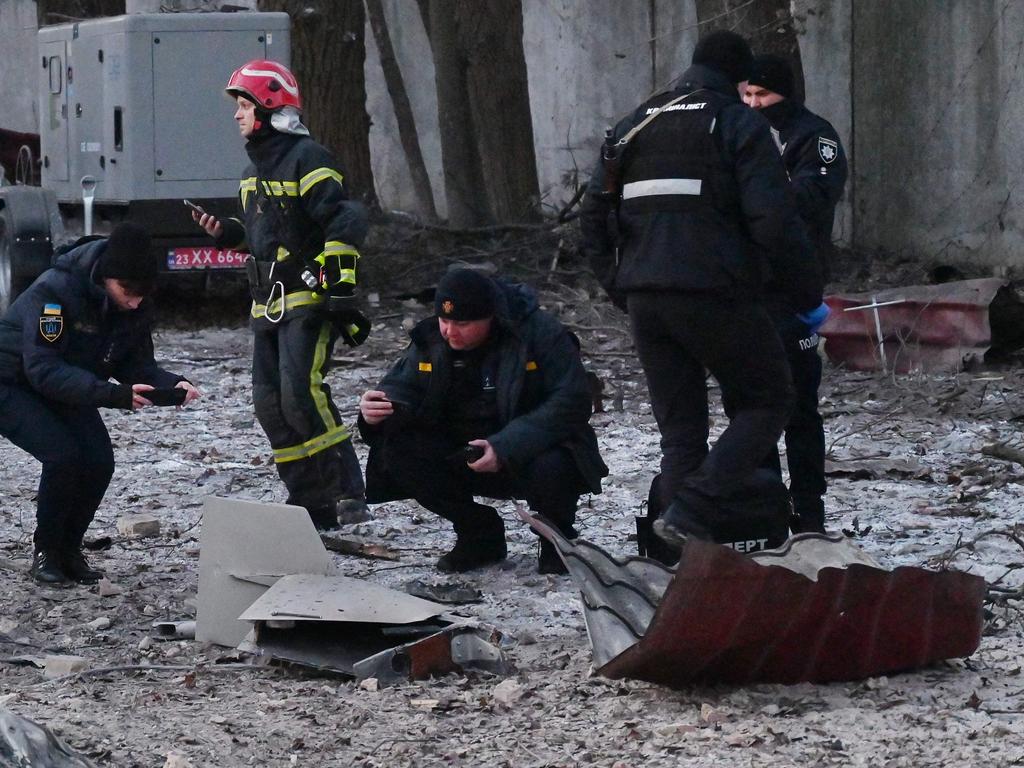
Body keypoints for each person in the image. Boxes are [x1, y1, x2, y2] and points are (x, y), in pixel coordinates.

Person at [579, 31, 823, 552]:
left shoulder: (635, 123)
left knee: (681, 432)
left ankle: (678, 551)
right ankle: (692, 511)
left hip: (646, 297)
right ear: (739, 78)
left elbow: (592, 215)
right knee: (769, 400)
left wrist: (620, 285)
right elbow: (774, 222)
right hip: (715, 292)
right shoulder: (736, 122)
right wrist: (804, 295)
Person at [193, 59, 371, 531]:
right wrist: (227, 233)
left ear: (270, 106)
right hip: (266, 305)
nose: (237, 115)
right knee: (269, 404)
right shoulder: (254, 170)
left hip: (306, 302)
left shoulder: (308, 158)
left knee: (301, 396)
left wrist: (339, 287)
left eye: (244, 104)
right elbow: (264, 235)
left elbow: (344, 220)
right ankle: (310, 502)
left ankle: (347, 493)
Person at [358, 268, 607, 574]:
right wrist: (373, 413)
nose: (450, 332)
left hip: (528, 451)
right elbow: (401, 389)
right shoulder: (430, 338)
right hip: (464, 453)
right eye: (445, 320)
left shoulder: (538, 332)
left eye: (462, 323)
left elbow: (572, 400)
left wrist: (505, 446)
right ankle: (478, 533)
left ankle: (556, 540)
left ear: (491, 317)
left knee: (556, 463)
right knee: (398, 449)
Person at [0, 223, 200, 585]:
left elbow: (135, 363)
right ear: (106, 277)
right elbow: (43, 368)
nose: (135, 301)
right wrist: (111, 395)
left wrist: (171, 384)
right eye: (128, 292)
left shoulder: (133, 303)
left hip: (69, 385)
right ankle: (46, 550)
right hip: (13, 383)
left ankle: (68, 549)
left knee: (99, 461)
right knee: (62, 455)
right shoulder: (53, 292)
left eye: (142, 294)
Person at [743, 54, 848, 534]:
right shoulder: (736, 132)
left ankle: (810, 509)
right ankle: (763, 502)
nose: (753, 104)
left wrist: (761, 189)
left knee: (799, 405)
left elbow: (811, 198)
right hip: (746, 289)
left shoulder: (813, 135)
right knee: (750, 402)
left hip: (792, 289)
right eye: (747, 95)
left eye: (763, 96)